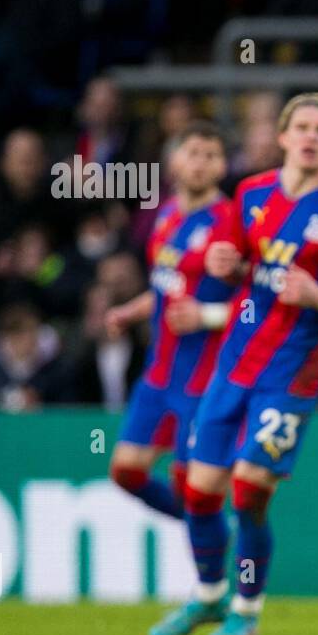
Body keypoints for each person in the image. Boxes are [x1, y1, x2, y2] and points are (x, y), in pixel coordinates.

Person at [153, 93, 318, 635]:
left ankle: (247, 609)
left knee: (250, 488)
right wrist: (223, 265)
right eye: (301, 126)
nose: (311, 137)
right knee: (199, 489)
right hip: (234, 361)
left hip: (293, 370)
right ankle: (208, 596)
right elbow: (236, 266)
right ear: (282, 136)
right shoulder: (250, 193)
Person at [105, 121, 236, 522]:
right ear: (173, 160)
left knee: (191, 485)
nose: (200, 163)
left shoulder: (231, 221)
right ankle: (207, 526)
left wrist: (207, 314)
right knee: (126, 471)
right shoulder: (165, 217)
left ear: (223, 166)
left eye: (210, 155)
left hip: (203, 379)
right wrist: (131, 310)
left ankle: (209, 555)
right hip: (159, 374)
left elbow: (259, 306)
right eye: (192, 152)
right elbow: (167, 288)